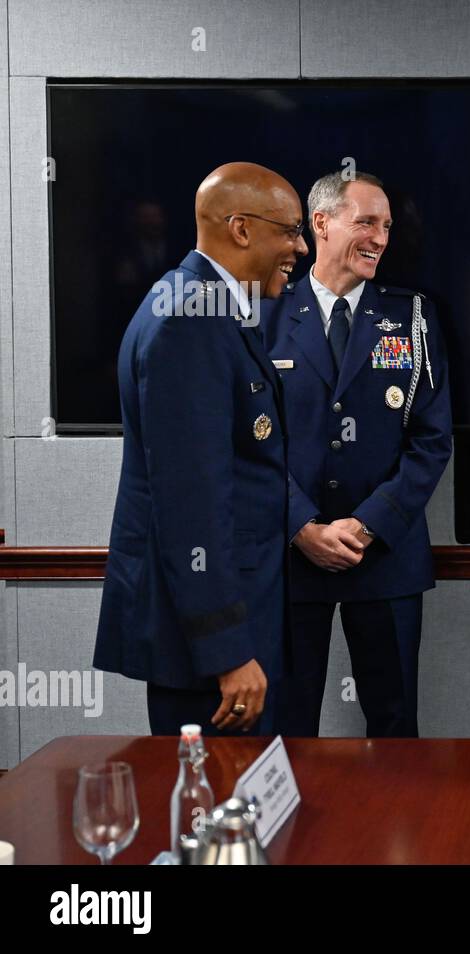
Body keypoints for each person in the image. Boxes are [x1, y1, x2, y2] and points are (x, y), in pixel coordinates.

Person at [95, 162, 308, 735]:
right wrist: (227, 651)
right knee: (212, 814)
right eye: (289, 230)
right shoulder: (189, 322)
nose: (301, 247)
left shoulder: (203, 305)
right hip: (210, 649)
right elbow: (192, 502)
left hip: (226, 623)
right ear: (240, 229)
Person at [261, 171, 453, 738]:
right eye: (366, 221)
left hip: (386, 555)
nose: (380, 238)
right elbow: (249, 441)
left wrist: (367, 526)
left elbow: (431, 439)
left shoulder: (414, 316)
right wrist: (301, 527)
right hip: (290, 558)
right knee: (288, 726)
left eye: (387, 226)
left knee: (394, 726)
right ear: (321, 222)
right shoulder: (265, 313)